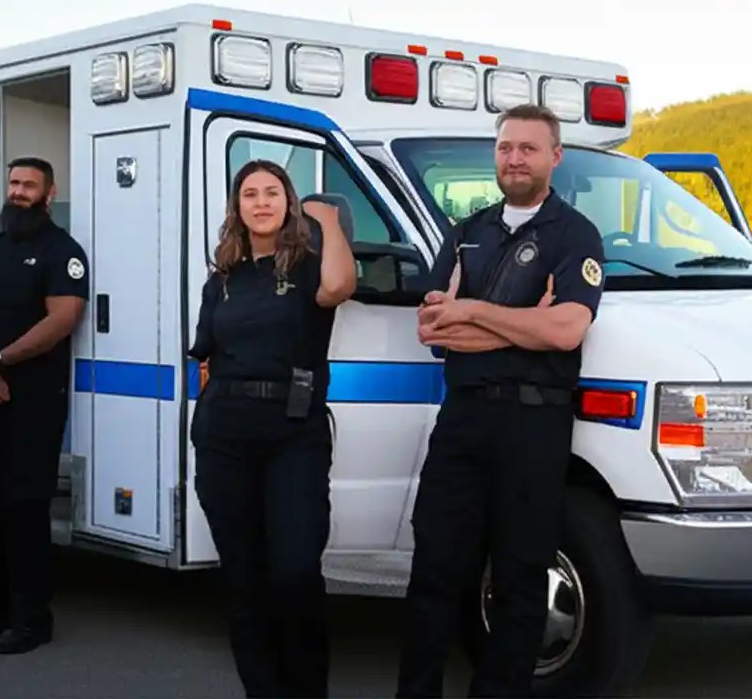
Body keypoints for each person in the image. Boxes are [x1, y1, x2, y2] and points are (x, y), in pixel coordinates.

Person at [396, 104, 606, 698]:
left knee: (519, 579)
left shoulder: (575, 235)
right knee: (434, 572)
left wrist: (472, 311)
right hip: (462, 419)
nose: (515, 159)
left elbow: (567, 329)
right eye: (506, 148)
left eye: (528, 149)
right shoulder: (467, 234)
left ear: (554, 157)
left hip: (534, 424)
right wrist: (518, 322)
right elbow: (434, 330)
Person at [187, 159, 357, 697]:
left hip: (294, 432)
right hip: (225, 436)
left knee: (295, 572)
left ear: (288, 202)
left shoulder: (308, 264)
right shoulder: (223, 280)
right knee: (243, 579)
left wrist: (328, 222)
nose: (261, 202)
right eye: (250, 194)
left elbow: (339, 287)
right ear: (237, 208)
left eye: (272, 192)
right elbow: (205, 356)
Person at [0, 156, 89, 654]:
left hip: (34, 397)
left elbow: (63, 319)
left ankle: (32, 620)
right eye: (13, 182)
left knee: (26, 507)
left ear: (49, 193)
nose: (18, 191)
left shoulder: (63, 251)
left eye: (29, 185)